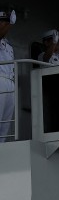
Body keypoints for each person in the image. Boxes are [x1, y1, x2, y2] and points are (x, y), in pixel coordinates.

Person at [0, 10, 15, 142]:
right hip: (0, 80)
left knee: (6, 122)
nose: (4, 24)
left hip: (10, 82)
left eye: (5, 22)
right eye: (3, 22)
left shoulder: (8, 44)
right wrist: (10, 23)